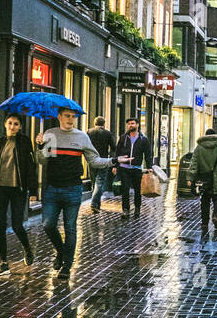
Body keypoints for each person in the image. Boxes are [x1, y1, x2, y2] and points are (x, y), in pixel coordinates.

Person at [35, 109, 128, 281]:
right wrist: (40, 146)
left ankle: (66, 266)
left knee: (70, 228)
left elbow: (94, 160)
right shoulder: (51, 134)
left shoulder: (81, 137)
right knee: (48, 225)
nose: (70, 120)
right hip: (52, 188)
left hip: (72, 189)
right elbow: (41, 161)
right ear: (59, 117)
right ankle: (61, 251)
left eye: (73, 117)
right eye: (67, 116)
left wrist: (114, 161)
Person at [0, 113, 37, 276]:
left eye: (16, 124)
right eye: (10, 123)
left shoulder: (25, 142)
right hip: (0, 189)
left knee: (17, 225)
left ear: (20, 127)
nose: (12, 127)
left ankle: (28, 249)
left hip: (18, 189)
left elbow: (30, 168)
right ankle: (4, 264)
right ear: (5, 125)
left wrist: (33, 191)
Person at [113, 117, 153, 218]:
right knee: (125, 190)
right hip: (124, 168)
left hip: (136, 168)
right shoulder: (123, 138)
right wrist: (115, 165)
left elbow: (148, 154)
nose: (130, 125)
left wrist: (149, 167)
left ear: (137, 125)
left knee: (137, 190)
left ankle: (137, 209)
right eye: (129, 124)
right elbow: (117, 152)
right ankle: (125, 210)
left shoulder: (143, 139)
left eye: (132, 123)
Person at [86, 116, 116, 213]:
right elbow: (113, 148)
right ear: (104, 124)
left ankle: (96, 203)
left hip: (92, 160)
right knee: (99, 183)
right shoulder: (108, 133)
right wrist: (112, 160)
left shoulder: (89, 132)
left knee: (94, 181)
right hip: (103, 160)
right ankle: (95, 203)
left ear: (95, 123)